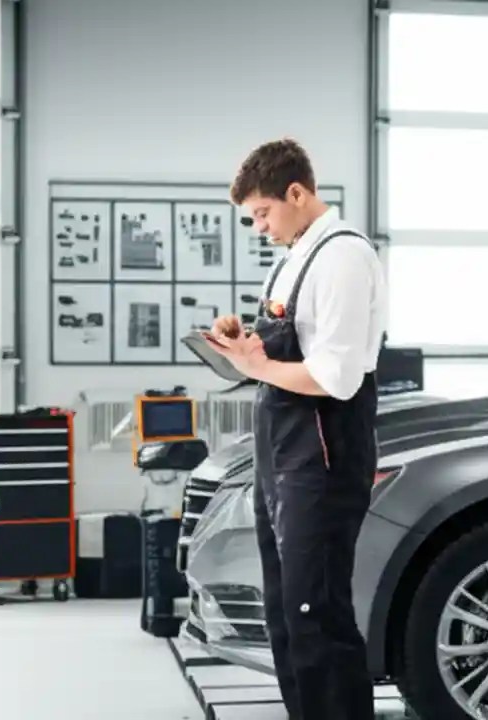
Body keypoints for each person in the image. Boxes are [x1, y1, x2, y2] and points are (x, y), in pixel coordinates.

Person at [202, 137, 386, 720]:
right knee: (285, 611)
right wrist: (243, 342)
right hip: (282, 451)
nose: (259, 228)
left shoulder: (342, 256)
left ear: (298, 193)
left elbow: (336, 379)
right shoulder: (293, 258)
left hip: (323, 452)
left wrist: (256, 368)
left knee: (317, 612)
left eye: (263, 213)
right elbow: (287, 345)